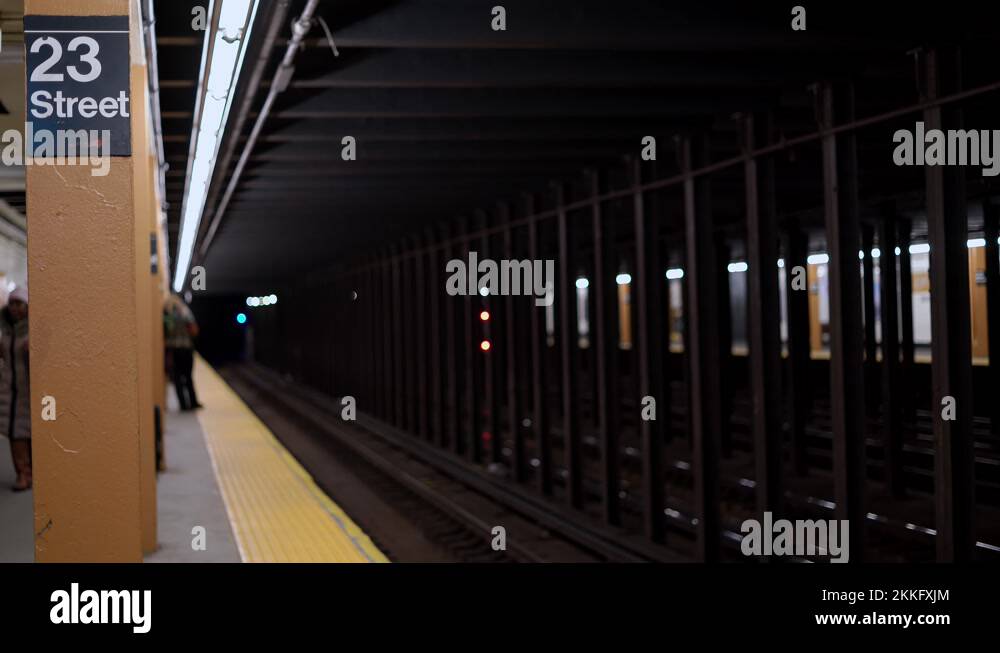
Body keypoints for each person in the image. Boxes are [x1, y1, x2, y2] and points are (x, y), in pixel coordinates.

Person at [0, 285, 31, 491]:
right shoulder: (7, 335)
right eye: (12, 303)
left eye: (19, 303)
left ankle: (29, 472)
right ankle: (22, 474)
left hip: (27, 394)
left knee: (27, 434)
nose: (14, 308)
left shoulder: (30, 334)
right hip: (10, 393)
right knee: (15, 435)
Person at [164, 293, 202, 411]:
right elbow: (194, 330)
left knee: (177, 378)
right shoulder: (185, 312)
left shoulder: (167, 313)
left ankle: (183, 405)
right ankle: (193, 402)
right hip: (186, 348)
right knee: (188, 376)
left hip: (173, 350)